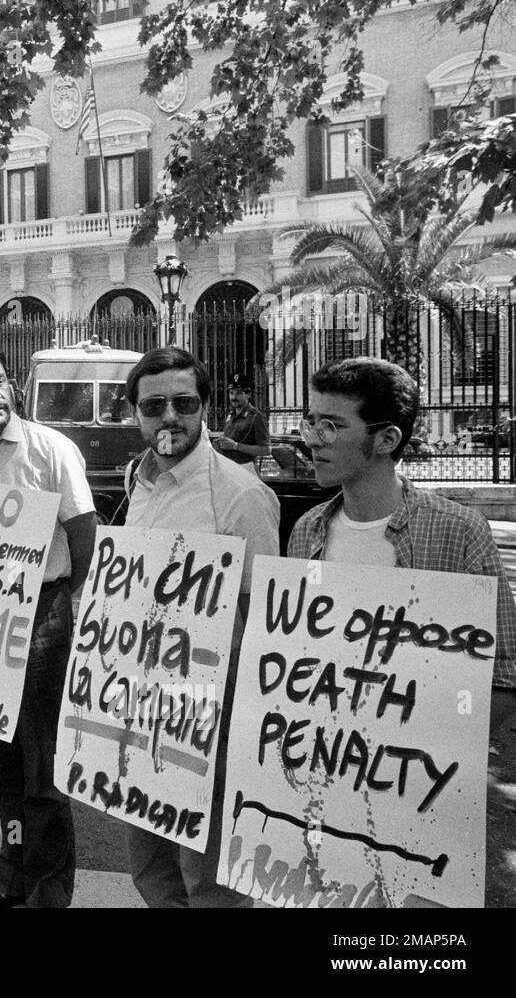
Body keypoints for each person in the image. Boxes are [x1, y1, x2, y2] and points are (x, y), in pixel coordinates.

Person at [122, 346, 280, 908]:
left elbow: (265, 619)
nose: (169, 417)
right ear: (136, 413)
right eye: (154, 405)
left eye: (184, 403)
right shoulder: (137, 480)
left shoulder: (240, 493)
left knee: (210, 876)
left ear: (205, 407)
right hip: (142, 700)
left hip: (211, 710)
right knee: (150, 861)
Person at [0, 343, 97, 909]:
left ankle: (47, 891)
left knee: (44, 764)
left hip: (42, 622)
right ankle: (12, 875)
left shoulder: (48, 448)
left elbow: (85, 535)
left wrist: (66, 600)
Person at [289, 357, 516, 739]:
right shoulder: (307, 530)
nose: (311, 439)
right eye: (311, 422)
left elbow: (504, 677)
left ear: (387, 439)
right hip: (320, 761)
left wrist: (425, 746)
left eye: (331, 426)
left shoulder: (458, 532)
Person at [213, 370, 270, 467]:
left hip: (246, 472)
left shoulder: (256, 417)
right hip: (229, 471)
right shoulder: (230, 415)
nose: (234, 397)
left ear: (248, 394)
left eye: (239, 393)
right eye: (231, 393)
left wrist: (235, 446)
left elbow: (266, 450)